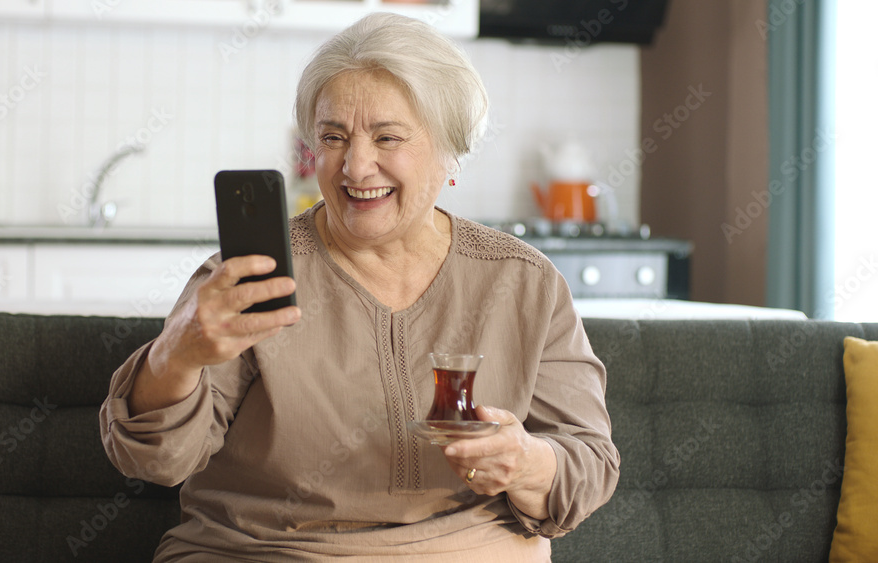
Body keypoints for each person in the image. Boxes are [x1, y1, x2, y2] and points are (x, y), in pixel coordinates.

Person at [101, 12, 619, 562]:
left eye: (388, 137)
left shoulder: (524, 282)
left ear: (451, 153)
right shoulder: (250, 274)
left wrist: (528, 461)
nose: (355, 165)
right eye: (333, 137)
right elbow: (155, 464)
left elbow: (589, 462)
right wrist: (174, 357)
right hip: (268, 552)